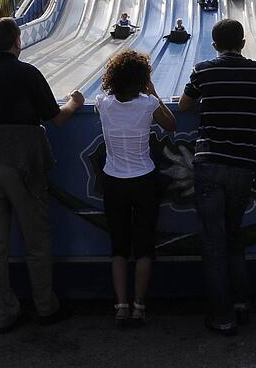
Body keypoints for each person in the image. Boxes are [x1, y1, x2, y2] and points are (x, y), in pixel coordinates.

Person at [0, 18, 84, 332]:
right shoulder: (28, 73)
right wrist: (75, 102)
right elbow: (56, 119)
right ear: (17, 42)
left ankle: (3, 313)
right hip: (22, 163)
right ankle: (45, 306)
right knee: (36, 238)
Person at [179, 18, 256, 336]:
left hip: (209, 164)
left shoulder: (202, 70)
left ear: (214, 45)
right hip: (242, 166)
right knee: (234, 238)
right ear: (243, 43)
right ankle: (241, 304)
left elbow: (186, 105)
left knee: (214, 242)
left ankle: (222, 316)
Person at [96, 50, 176, 327]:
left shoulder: (102, 103)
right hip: (143, 180)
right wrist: (154, 93)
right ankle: (139, 306)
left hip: (113, 180)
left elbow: (102, 103)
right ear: (142, 80)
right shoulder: (148, 105)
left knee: (118, 246)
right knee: (144, 246)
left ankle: (121, 306)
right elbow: (171, 124)